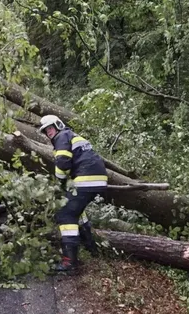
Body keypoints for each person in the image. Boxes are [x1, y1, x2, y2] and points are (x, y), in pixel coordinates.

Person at [38, 114, 107, 274]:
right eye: (45, 130)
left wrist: (59, 183)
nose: (48, 132)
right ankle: (91, 248)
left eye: (50, 128)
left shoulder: (62, 136)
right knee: (77, 209)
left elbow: (62, 161)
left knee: (65, 214)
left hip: (87, 178)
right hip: (96, 178)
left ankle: (70, 263)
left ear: (58, 125)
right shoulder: (71, 136)